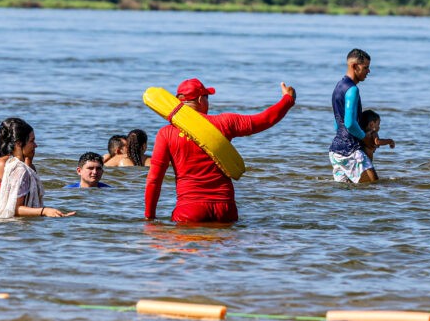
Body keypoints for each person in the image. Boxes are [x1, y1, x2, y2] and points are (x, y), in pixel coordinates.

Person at [145, 78, 296, 224]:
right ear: (200, 100)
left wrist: (149, 218)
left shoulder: (166, 134)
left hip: (189, 210)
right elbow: (265, 119)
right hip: (225, 209)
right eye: (207, 97)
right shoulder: (225, 122)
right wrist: (287, 100)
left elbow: (154, 180)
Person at [0, 117, 74, 219]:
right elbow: (14, 208)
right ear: (18, 144)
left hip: (22, 220)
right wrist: (45, 211)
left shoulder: (25, 166)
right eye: (32, 141)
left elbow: (31, 199)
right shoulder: (4, 164)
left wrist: (56, 213)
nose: (36, 145)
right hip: (6, 222)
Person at [329, 49, 378, 183]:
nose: (368, 71)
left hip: (335, 151)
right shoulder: (352, 89)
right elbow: (349, 123)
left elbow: (337, 123)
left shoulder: (338, 86)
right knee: (374, 186)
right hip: (350, 150)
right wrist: (365, 138)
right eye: (366, 68)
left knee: (347, 194)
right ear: (354, 66)